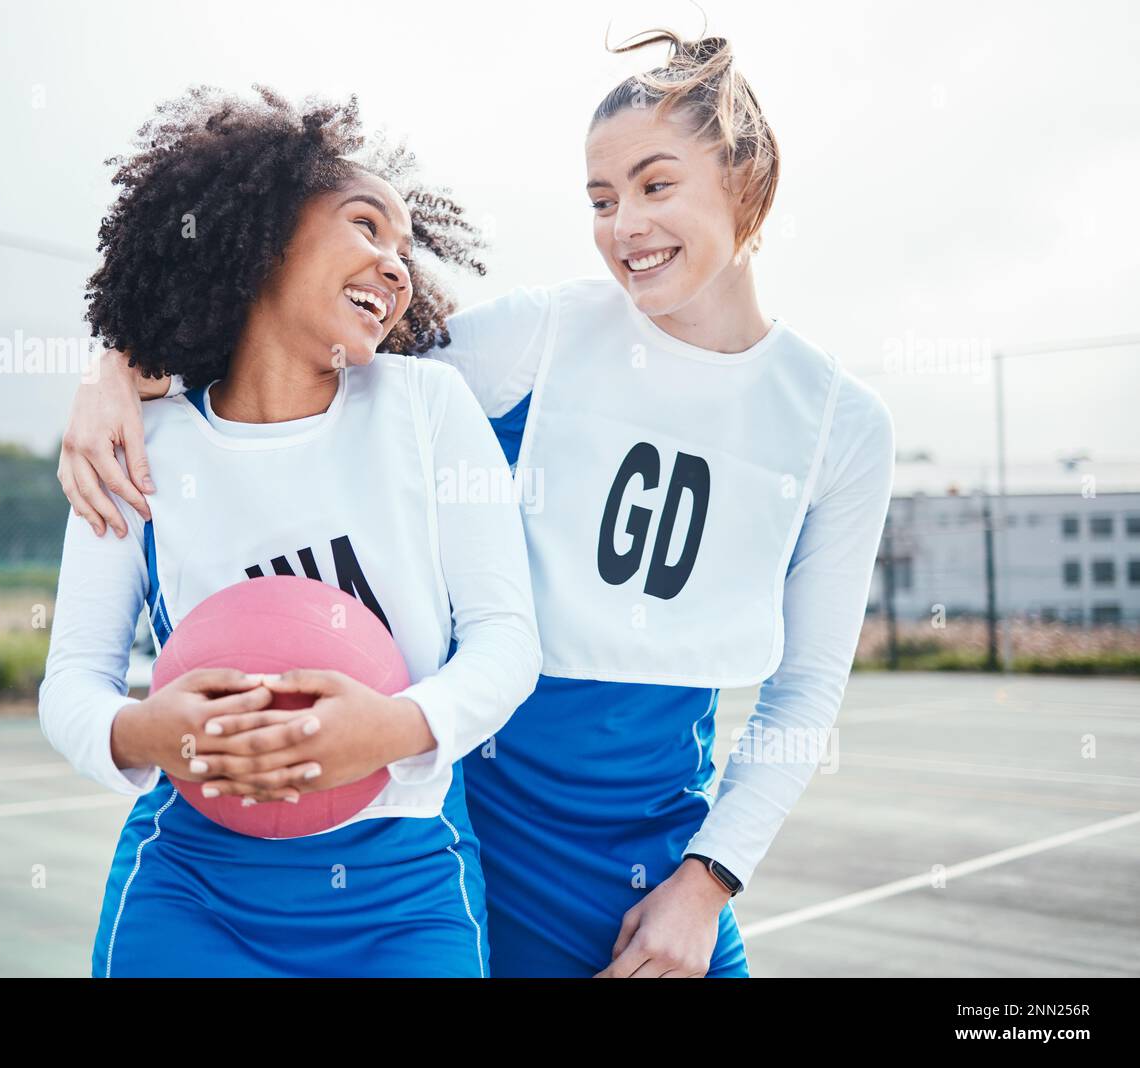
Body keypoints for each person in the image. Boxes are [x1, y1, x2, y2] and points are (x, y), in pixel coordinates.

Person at [58, 31, 894, 978]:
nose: (625, 225)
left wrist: (708, 884)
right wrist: (119, 362)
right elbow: (298, 357)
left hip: (652, 862)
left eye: (655, 185)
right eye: (601, 200)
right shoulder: (540, 336)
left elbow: (806, 690)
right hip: (464, 834)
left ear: (745, 177)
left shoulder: (841, 426)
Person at [39, 87, 540, 977]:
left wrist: (392, 729)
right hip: (193, 888)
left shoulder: (427, 406)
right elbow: (73, 680)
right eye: (366, 226)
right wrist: (145, 733)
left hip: (404, 889)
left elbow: (506, 640)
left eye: (406, 252)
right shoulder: (141, 444)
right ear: (265, 234)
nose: (396, 267)